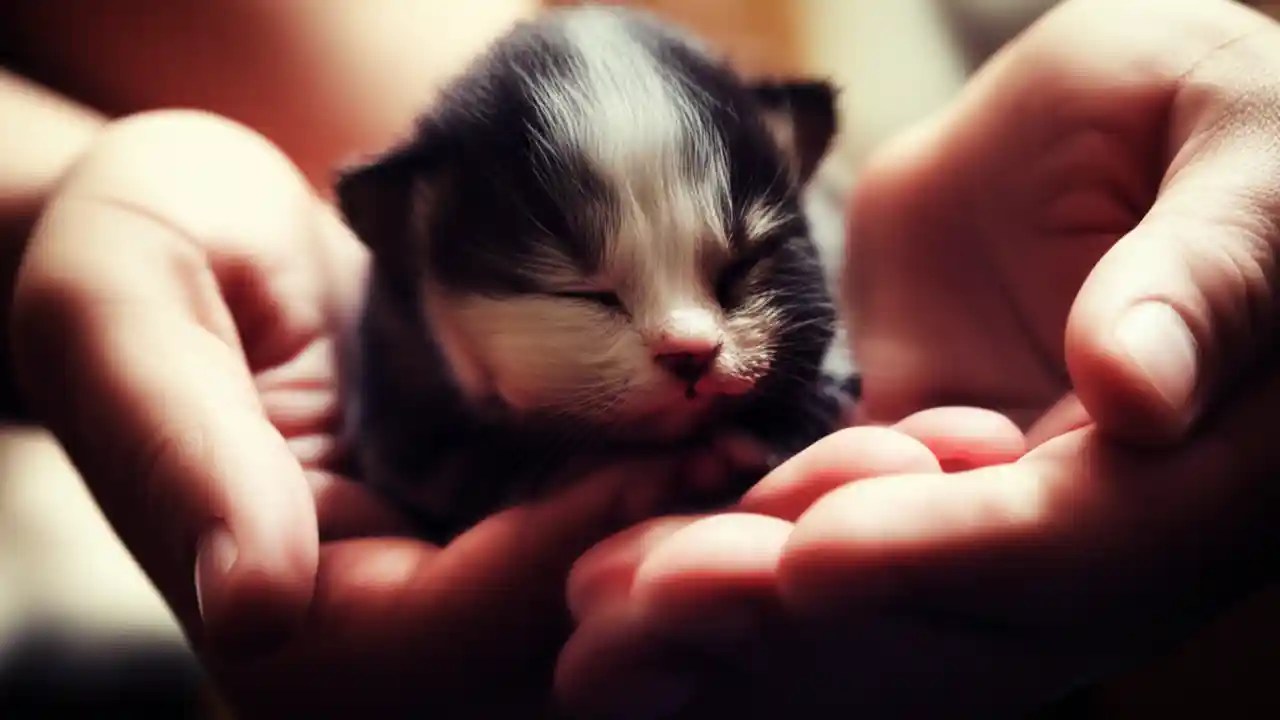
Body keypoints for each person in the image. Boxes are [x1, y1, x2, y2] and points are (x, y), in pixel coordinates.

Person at [0, 0, 1274, 717]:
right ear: (411, 242)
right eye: (585, 293)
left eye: (730, 277)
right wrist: (72, 198)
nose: (688, 340)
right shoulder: (389, 348)